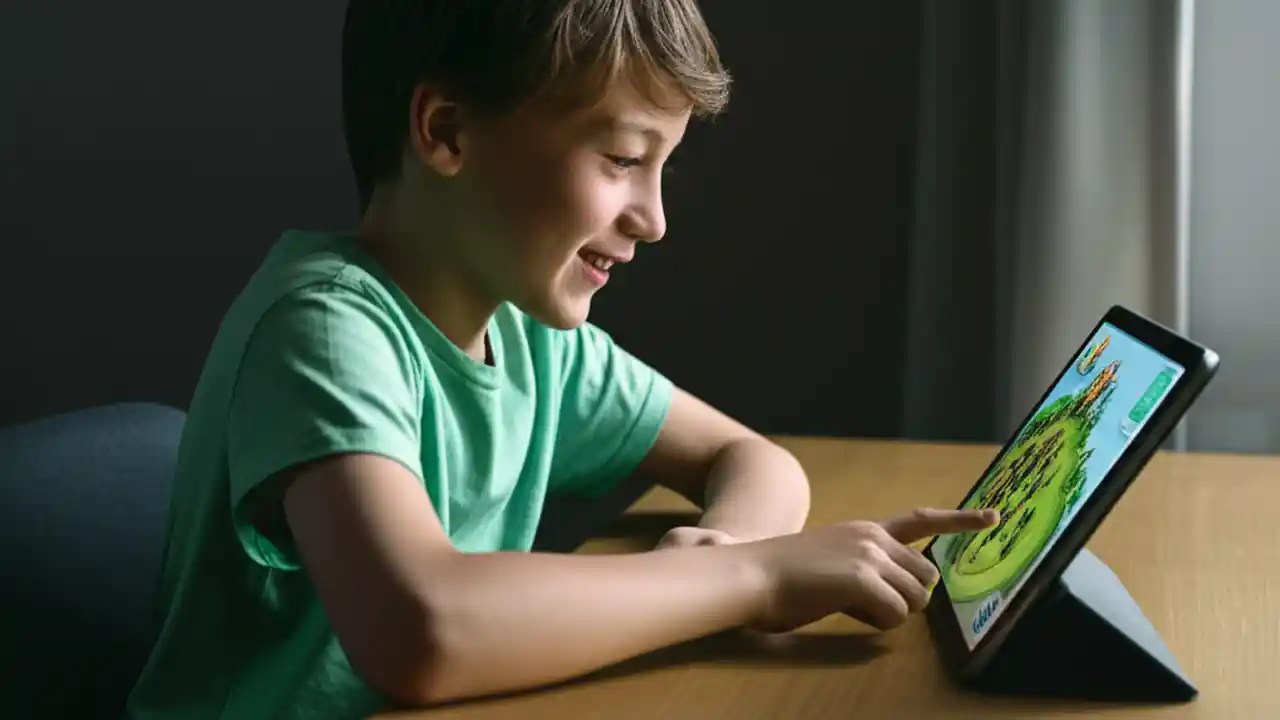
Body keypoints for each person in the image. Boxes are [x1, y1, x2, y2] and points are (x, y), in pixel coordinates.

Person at [124, 1, 998, 717]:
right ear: (448, 131)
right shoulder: (322, 330)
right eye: (623, 159)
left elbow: (752, 459)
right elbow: (420, 629)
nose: (653, 217)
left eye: (662, 167)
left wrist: (723, 549)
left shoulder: (537, 343)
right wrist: (747, 578)